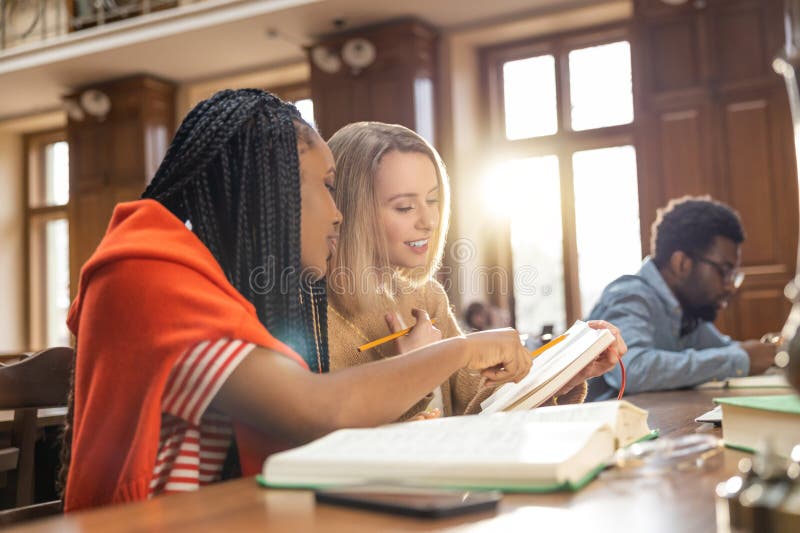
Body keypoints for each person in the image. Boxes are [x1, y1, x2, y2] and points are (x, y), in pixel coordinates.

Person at [60, 90, 536, 511]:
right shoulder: (147, 272)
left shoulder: (211, 278)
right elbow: (317, 411)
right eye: (328, 187)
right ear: (272, 185)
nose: (337, 213)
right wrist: (463, 348)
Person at [326, 121, 625, 419]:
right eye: (405, 207)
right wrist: (416, 372)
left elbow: (480, 402)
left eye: (433, 200)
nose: (429, 221)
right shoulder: (314, 316)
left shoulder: (427, 295)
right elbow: (330, 440)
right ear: (349, 210)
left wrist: (564, 374)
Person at [586, 196, 776, 401]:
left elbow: (722, 350)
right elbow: (633, 369)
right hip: (607, 430)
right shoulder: (630, 295)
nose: (730, 286)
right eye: (724, 271)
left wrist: (767, 353)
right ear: (682, 263)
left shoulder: (686, 310)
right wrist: (741, 359)